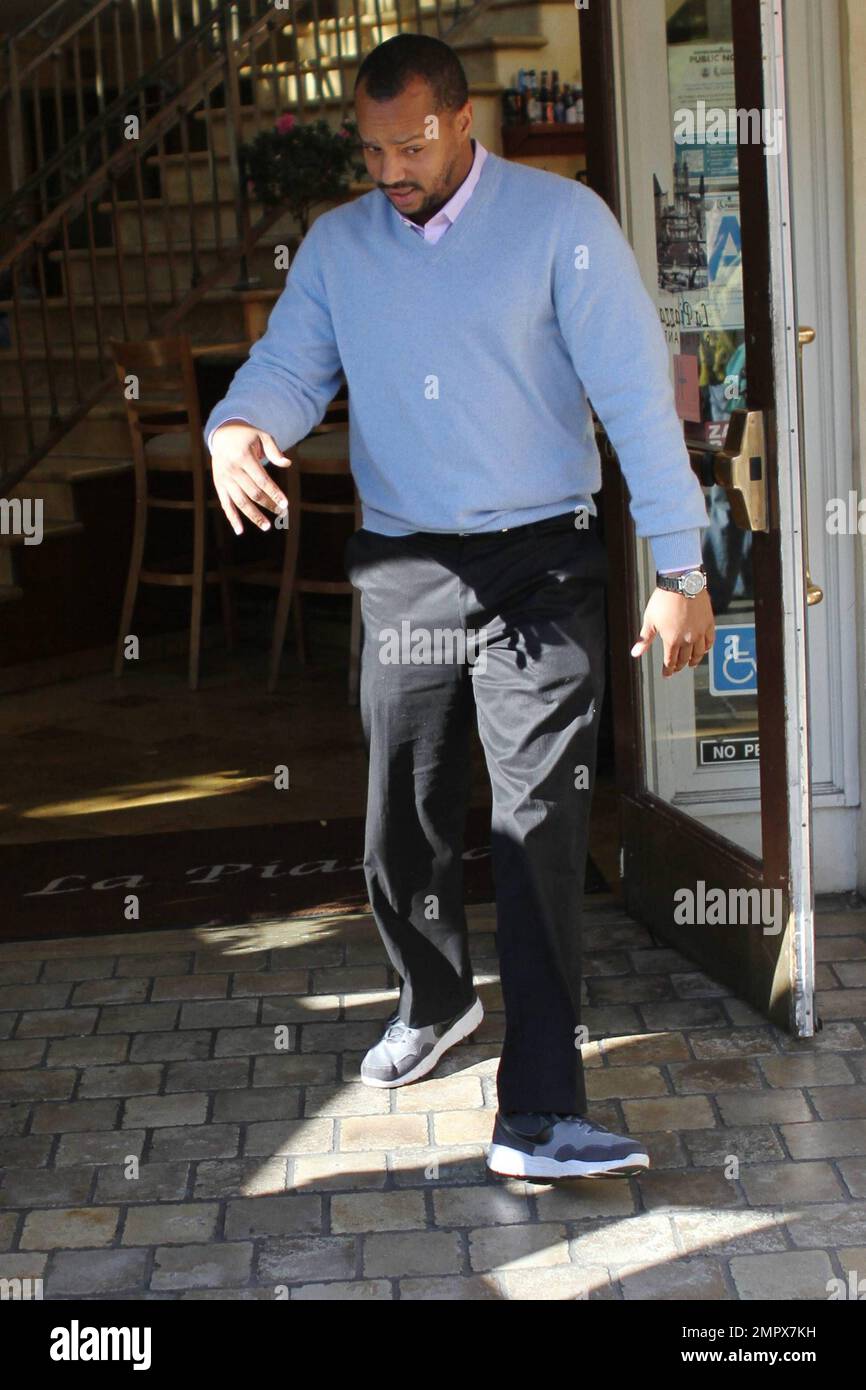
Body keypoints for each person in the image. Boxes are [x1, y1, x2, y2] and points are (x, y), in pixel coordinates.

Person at [204, 34, 714, 1180]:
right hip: (405, 562)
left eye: (410, 143)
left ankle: (539, 1110)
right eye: (371, 146)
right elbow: (290, 368)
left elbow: (634, 394)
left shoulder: (559, 222)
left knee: (534, 825)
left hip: (542, 557)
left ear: (460, 117)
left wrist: (680, 569)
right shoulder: (339, 246)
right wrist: (238, 429)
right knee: (403, 814)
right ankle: (433, 996)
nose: (389, 167)